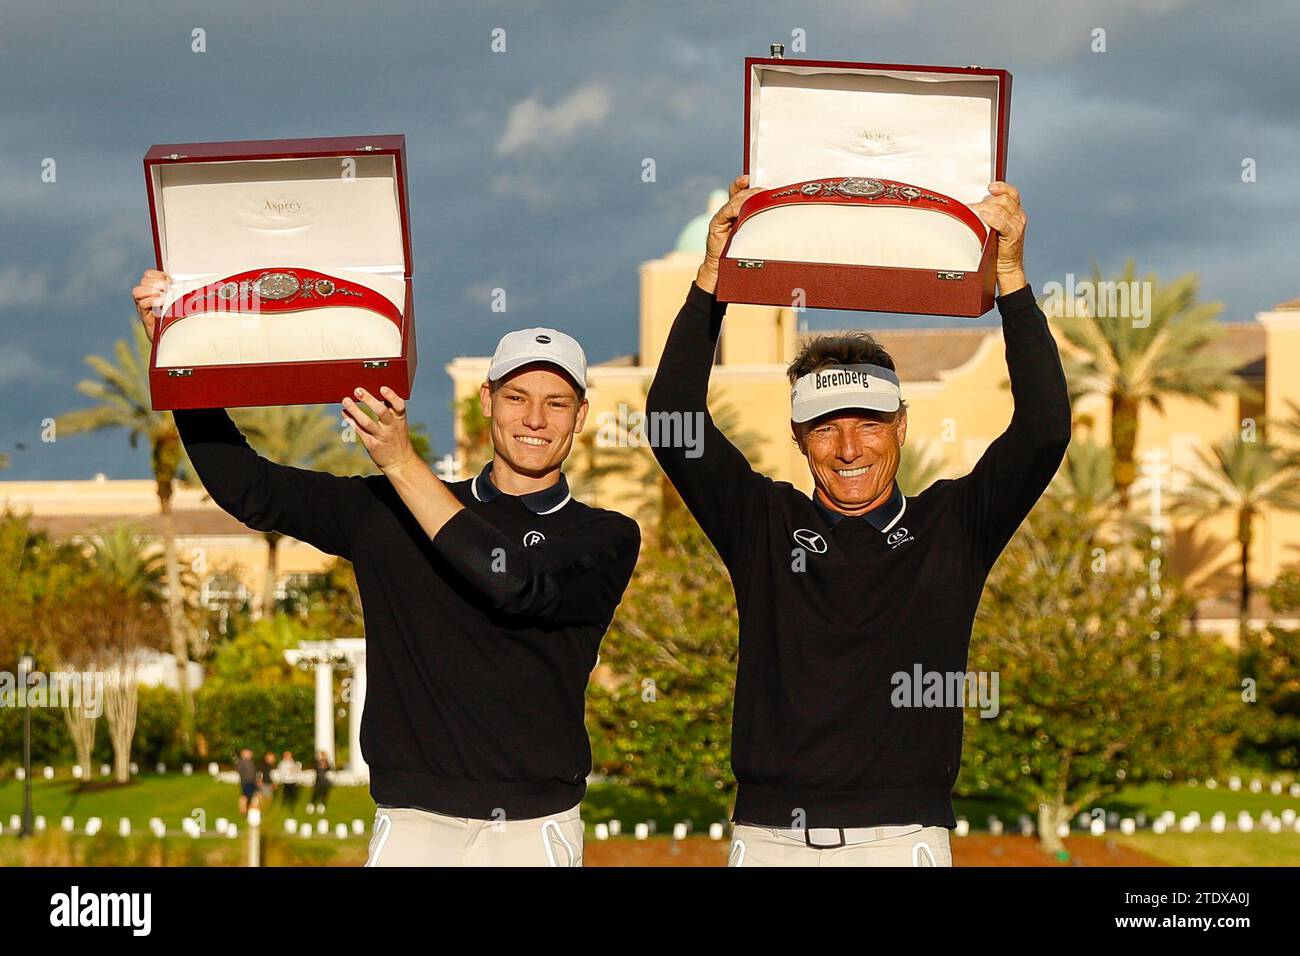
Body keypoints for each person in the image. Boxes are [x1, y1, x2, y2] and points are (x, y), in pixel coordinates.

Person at [132, 275, 641, 866]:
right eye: (517, 397)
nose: (535, 418)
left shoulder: (603, 536)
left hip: (534, 827)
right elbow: (248, 489)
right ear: (486, 401)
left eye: (556, 403)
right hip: (412, 822)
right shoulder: (388, 512)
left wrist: (401, 462)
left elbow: (515, 584)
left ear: (580, 416)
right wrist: (179, 359)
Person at [646, 176, 1071, 866]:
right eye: (825, 429)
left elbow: (1046, 428)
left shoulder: (955, 523)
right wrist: (713, 278)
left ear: (901, 426)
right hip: (769, 840)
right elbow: (672, 424)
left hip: (901, 841)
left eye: (869, 424)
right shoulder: (761, 524)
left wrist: (1011, 276)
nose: (848, 448)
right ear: (796, 435)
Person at [235, 748, 258, 816]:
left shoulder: (251, 762)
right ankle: (243, 811)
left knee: (252, 796)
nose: (250, 755)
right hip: (246, 782)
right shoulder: (240, 762)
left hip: (252, 782)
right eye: (248, 753)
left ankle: (250, 810)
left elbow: (254, 772)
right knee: (244, 796)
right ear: (243, 754)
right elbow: (240, 772)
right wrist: (246, 778)